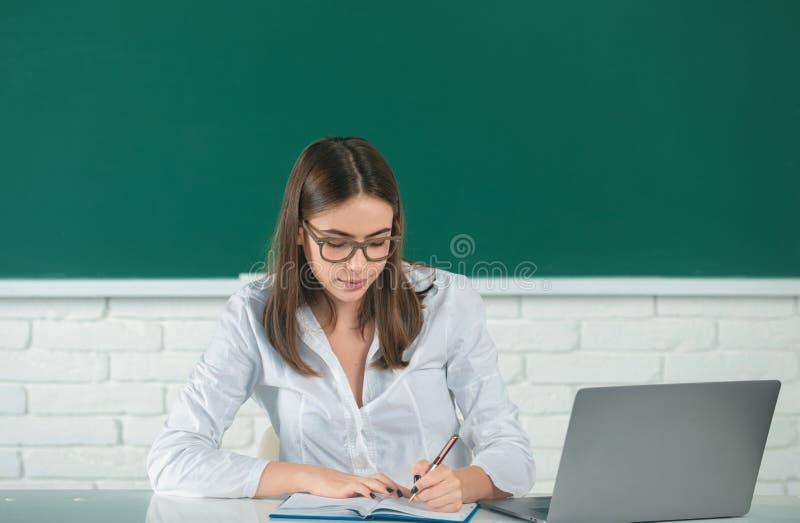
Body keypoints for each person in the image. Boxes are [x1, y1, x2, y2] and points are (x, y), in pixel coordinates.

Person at [146, 136, 535, 511]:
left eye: (377, 242)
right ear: (300, 233)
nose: (358, 265)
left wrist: (461, 485)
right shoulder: (253, 313)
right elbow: (173, 458)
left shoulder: (447, 302)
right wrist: (312, 478)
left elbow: (513, 454)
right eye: (335, 243)